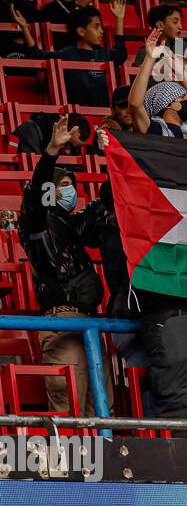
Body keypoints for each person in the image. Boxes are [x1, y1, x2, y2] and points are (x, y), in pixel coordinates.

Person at [18, 116, 114, 414]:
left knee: (102, 408)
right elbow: (36, 194)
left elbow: (105, 204)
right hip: (61, 322)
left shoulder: (70, 225)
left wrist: (110, 160)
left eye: (72, 185)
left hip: (90, 323)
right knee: (69, 408)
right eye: (63, 185)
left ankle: (103, 448)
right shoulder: (37, 223)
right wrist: (51, 153)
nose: (69, 190)